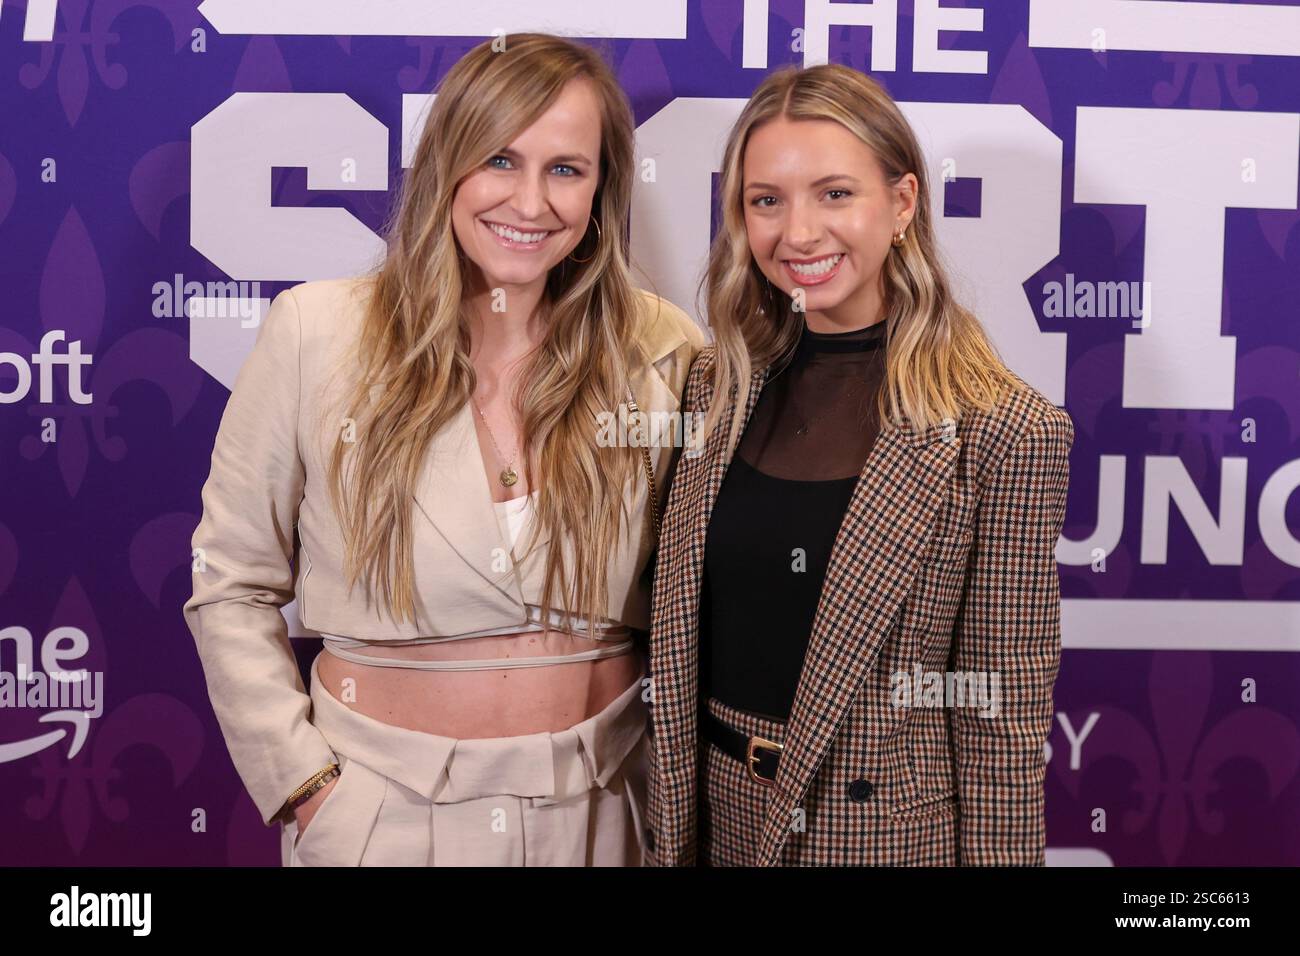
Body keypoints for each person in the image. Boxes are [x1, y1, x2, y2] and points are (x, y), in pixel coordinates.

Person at [184, 32, 706, 866]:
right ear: (445, 167)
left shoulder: (662, 349)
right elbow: (231, 582)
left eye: (566, 169)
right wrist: (304, 787)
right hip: (379, 813)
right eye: (500, 159)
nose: (531, 203)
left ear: (604, 190)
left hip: (607, 812)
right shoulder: (318, 333)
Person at [644, 63, 1074, 866]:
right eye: (766, 200)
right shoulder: (715, 385)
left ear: (902, 204)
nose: (797, 233)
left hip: (874, 838)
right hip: (707, 816)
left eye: (835, 194)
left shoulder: (1003, 430)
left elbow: (1000, 719)